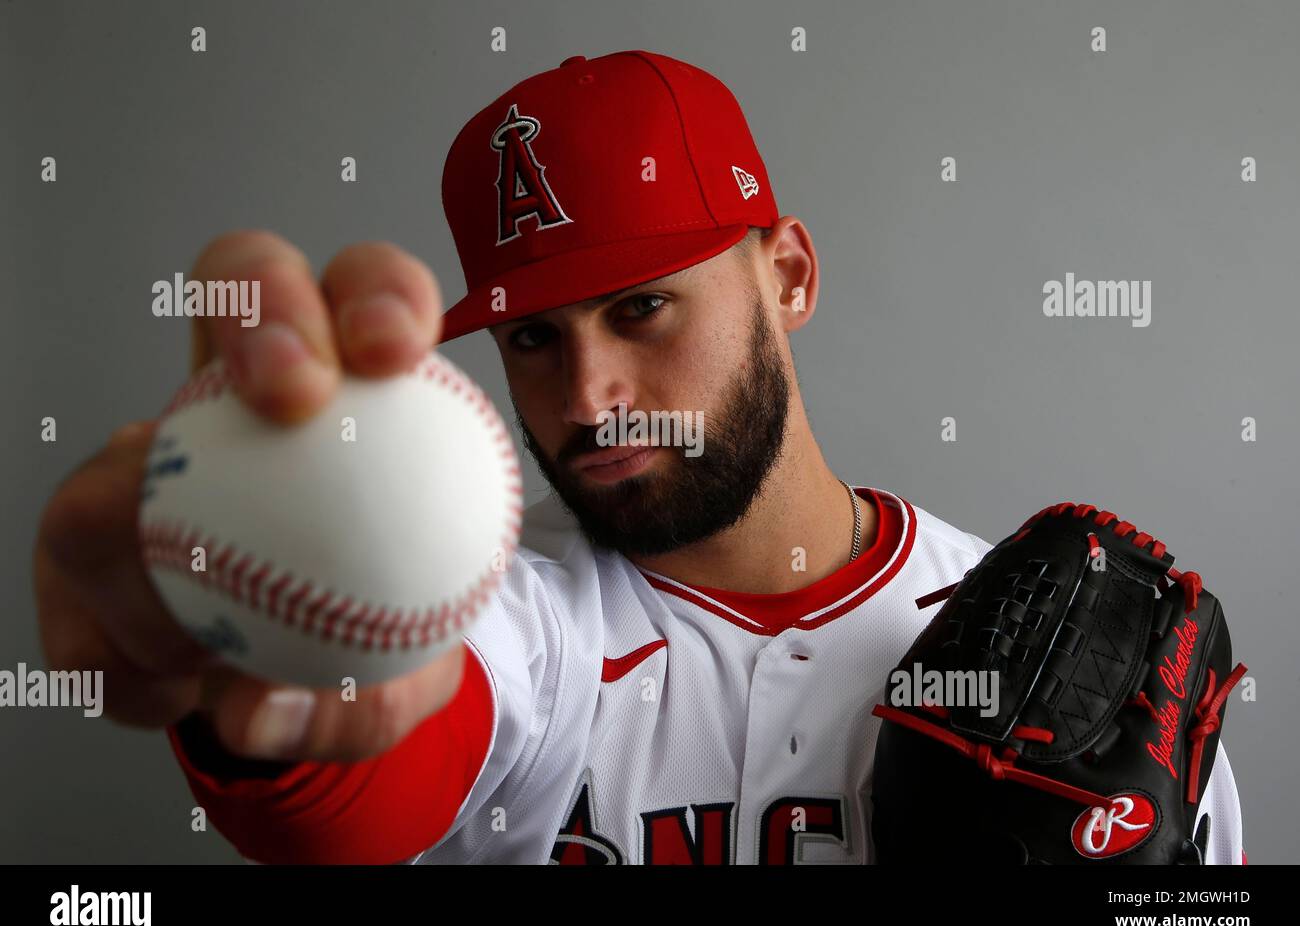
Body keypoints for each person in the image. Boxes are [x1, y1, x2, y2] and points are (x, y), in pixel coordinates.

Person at [34, 50, 1245, 864]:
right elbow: (382, 758)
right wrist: (267, 673)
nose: (591, 397)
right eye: (532, 338)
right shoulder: (518, 622)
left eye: (639, 309)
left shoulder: (1083, 661)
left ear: (787, 276)